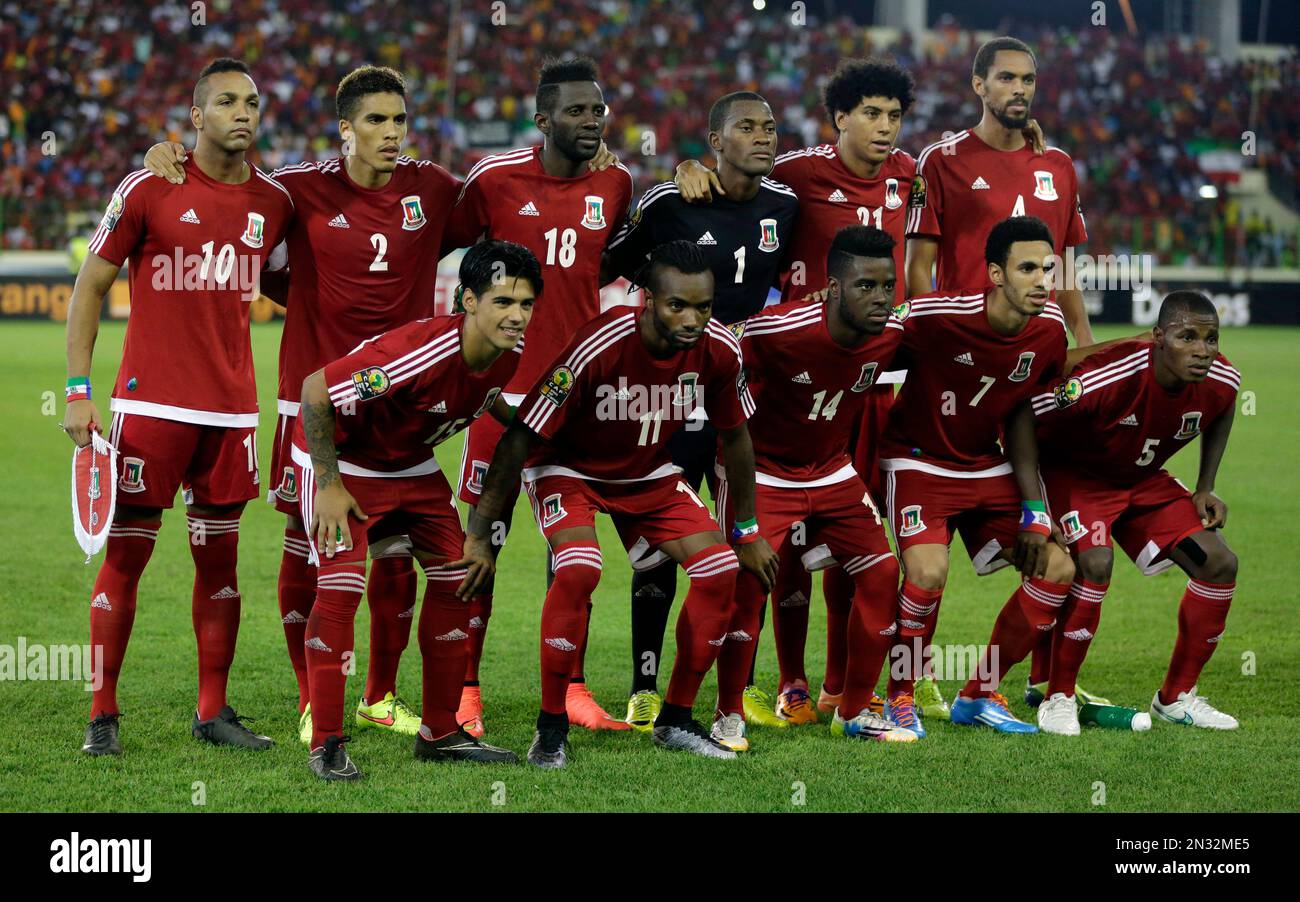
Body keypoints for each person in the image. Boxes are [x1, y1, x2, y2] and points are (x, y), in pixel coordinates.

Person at [143, 66, 462, 743]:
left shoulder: (433, 189)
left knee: (398, 551)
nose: (391, 134)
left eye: (400, 120)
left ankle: (379, 694)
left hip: (396, 402)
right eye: (375, 121)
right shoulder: (296, 189)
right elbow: (230, 200)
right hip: (310, 400)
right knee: (308, 546)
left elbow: (507, 202)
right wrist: (163, 153)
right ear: (344, 129)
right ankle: (310, 698)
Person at [450, 241, 779, 768]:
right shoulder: (599, 342)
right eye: (678, 305)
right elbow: (521, 435)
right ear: (647, 298)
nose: (693, 319)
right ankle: (551, 729)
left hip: (646, 473)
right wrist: (480, 529)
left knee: (720, 569)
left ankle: (675, 720)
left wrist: (746, 527)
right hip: (568, 470)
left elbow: (735, 436)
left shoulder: (720, 349)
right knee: (580, 569)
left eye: (704, 306)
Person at [672, 59, 928, 727]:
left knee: (859, 548)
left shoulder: (911, 175)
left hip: (871, 376)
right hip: (794, 368)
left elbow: (926, 264)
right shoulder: (797, 174)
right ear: (840, 118)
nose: (884, 128)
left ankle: (858, 689)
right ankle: (787, 682)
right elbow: (735, 178)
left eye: (894, 116)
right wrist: (685, 170)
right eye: (870, 113)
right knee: (776, 553)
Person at [65, 58, 293, 755]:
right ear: (196, 118)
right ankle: (103, 714)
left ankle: (213, 711)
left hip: (231, 413)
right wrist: (78, 392)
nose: (243, 112)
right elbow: (89, 288)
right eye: (226, 101)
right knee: (127, 559)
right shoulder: (148, 186)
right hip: (151, 405)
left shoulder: (275, 204)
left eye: (251, 101)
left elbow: (300, 293)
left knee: (220, 566)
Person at [903, 36, 1105, 711]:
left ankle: (1047, 684)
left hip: (1036, 366)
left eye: (1030, 79)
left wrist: (1081, 339)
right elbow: (921, 264)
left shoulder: (1058, 165)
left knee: (1053, 520)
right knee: (932, 540)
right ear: (979, 85)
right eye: (1007, 79)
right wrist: (924, 336)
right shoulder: (944, 160)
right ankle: (918, 673)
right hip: (956, 368)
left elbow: (1068, 262)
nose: (1021, 90)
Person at [293, 240, 540, 780]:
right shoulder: (422, 351)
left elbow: (482, 394)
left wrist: (519, 423)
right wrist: (330, 486)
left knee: (459, 578)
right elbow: (316, 391)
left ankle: (440, 731)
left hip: (411, 465)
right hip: (346, 460)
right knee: (339, 589)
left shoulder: (507, 356)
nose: (516, 315)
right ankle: (328, 744)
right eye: (502, 302)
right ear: (467, 301)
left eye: (525, 304)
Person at [444, 57, 635, 736]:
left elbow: (610, 260)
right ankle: (465, 689)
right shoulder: (494, 180)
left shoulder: (617, 181)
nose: (591, 121)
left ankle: (573, 687)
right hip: (500, 401)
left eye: (599, 110)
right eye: (577, 111)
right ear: (543, 118)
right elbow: (438, 239)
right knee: (479, 544)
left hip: (576, 402)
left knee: (573, 558)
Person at [603, 90, 797, 731]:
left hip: (752, 396)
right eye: (747, 127)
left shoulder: (787, 207)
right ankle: (645, 686)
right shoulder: (671, 201)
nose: (764, 136)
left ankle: (735, 693)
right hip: (679, 394)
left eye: (770, 127)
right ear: (715, 142)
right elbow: (612, 266)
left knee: (751, 538)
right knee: (662, 547)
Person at [710, 225, 917, 750]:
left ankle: (852, 710)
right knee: (750, 585)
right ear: (832, 287)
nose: (880, 298)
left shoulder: (891, 335)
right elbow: (714, 351)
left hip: (832, 470)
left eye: (888, 286)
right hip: (763, 471)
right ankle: (727, 713)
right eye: (866, 286)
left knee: (883, 572)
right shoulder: (776, 330)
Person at [878, 216, 1085, 735]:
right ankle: (899, 697)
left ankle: (979, 692)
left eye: (1049, 268)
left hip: (982, 460)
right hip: (916, 458)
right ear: (995, 274)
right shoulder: (933, 315)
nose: (1043, 280)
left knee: (1056, 566)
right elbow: (867, 351)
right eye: (1028, 269)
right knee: (927, 572)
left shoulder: (1050, 328)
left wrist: (1037, 510)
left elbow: (1022, 412)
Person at [1031, 291, 1241, 733]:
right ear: (1159, 337)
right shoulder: (1109, 376)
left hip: (1141, 479)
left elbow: (1223, 407)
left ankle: (1176, 698)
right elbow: (1030, 413)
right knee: (1095, 561)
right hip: (1077, 475)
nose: (1203, 350)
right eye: (1188, 337)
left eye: (1211, 339)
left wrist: (1206, 486)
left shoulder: (1222, 378)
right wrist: (1034, 500)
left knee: (1219, 563)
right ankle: (1059, 697)